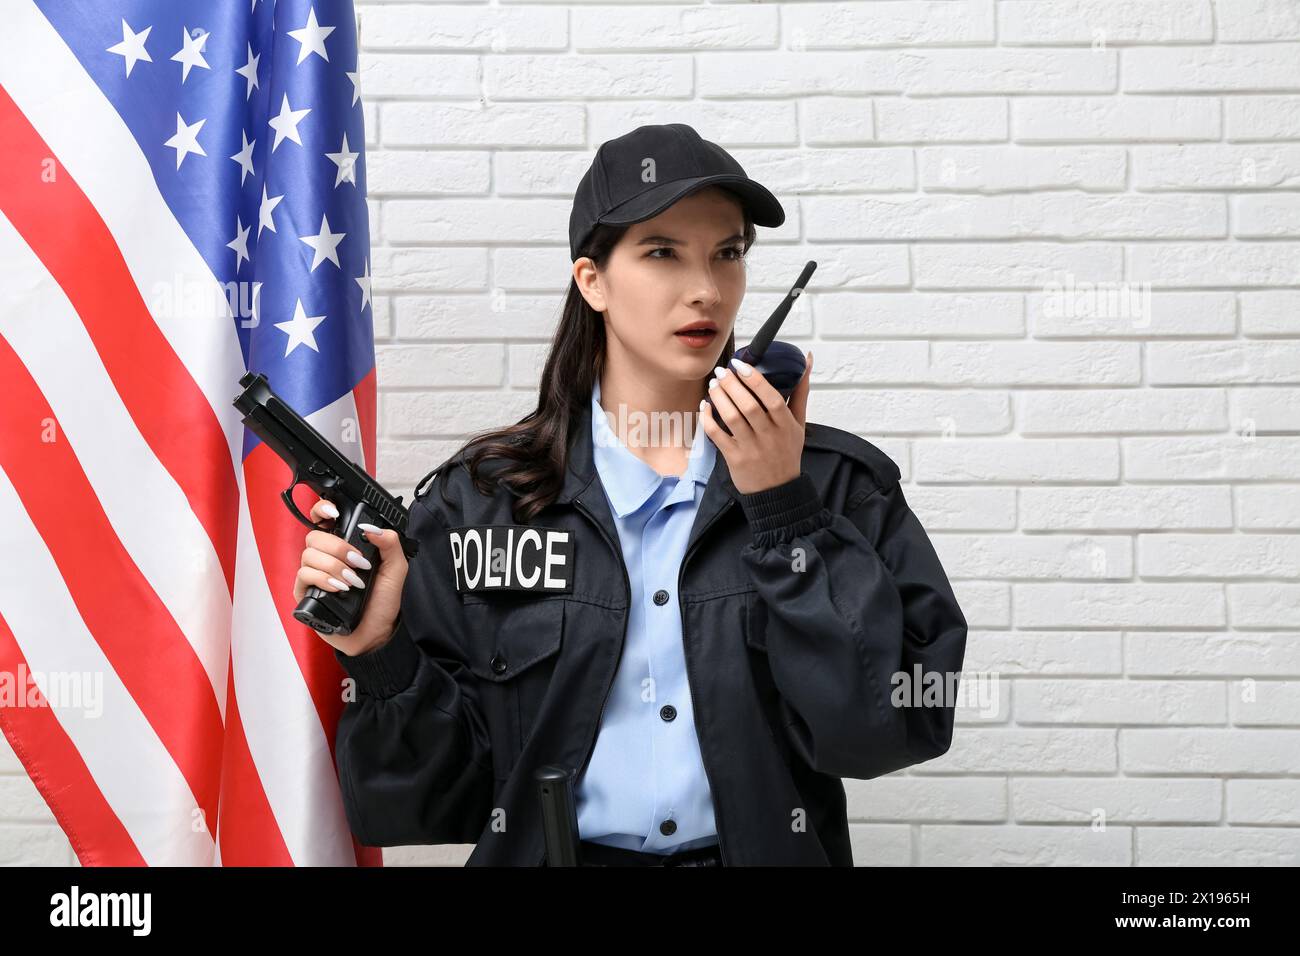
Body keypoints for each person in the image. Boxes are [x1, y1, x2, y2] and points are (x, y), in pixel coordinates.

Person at [294, 123, 969, 866]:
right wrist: (379, 655)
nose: (707, 289)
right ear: (593, 281)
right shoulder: (479, 501)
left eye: (729, 253)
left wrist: (785, 511)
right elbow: (423, 804)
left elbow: (884, 731)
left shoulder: (836, 484)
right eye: (662, 253)